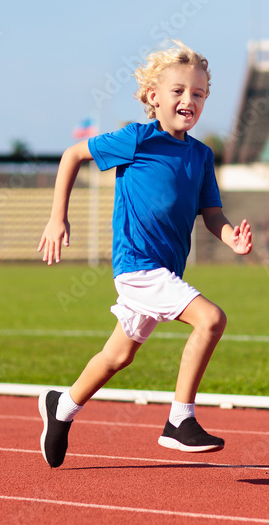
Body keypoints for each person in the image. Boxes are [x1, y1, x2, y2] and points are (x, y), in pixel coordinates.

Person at [36, 41, 253, 468]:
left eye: (198, 94)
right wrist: (57, 218)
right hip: (138, 267)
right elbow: (72, 155)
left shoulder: (201, 156)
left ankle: (61, 407)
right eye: (178, 91)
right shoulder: (137, 139)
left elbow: (211, 213)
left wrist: (230, 237)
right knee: (211, 319)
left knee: (118, 355)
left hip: (164, 271)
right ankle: (179, 420)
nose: (188, 100)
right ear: (154, 96)